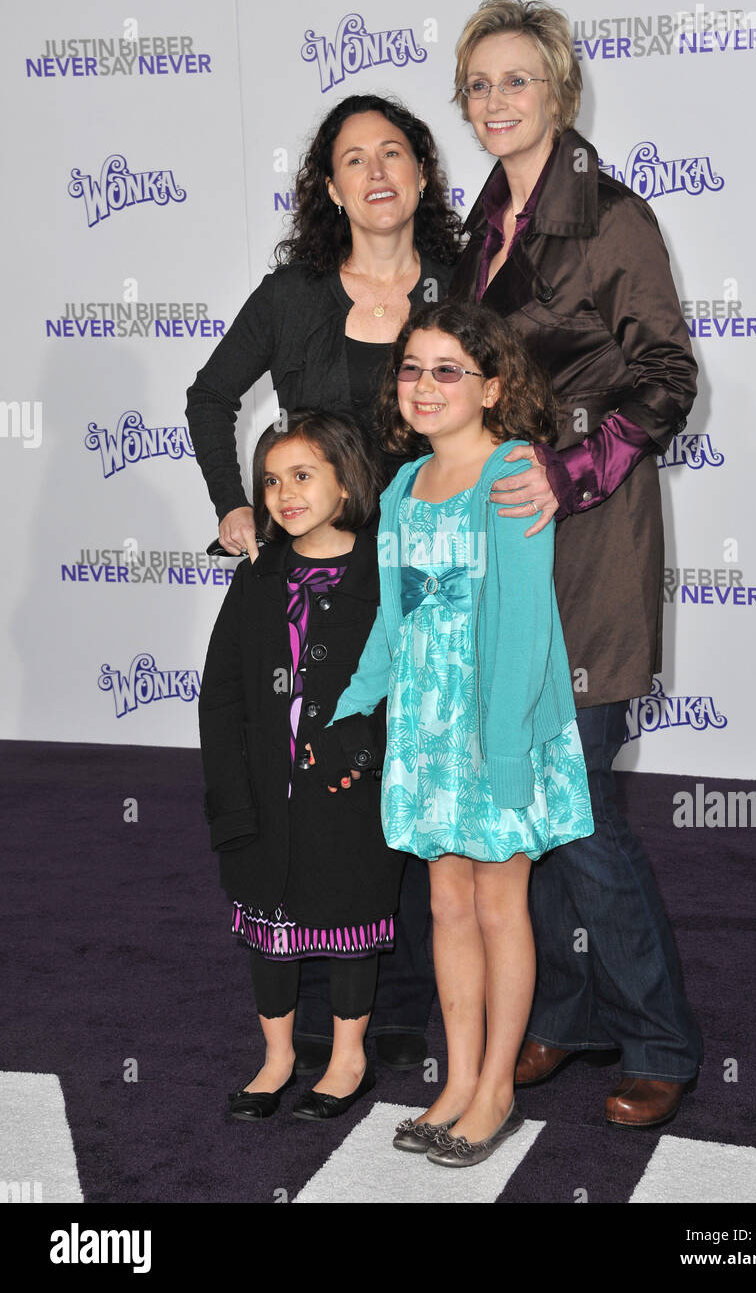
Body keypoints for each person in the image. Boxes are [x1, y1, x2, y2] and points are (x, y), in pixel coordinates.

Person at [446, 0, 703, 1127]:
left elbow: (666, 379)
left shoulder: (612, 217)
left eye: (516, 80)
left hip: (587, 537)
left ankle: (657, 1037)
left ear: (559, 90)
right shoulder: (474, 229)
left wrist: (570, 469)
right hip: (496, 548)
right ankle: (565, 1015)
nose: (496, 102)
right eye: (479, 84)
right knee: (523, 800)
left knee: (583, 805)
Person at [187, 94, 462, 1073]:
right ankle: (307, 1025)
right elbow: (212, 394)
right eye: (353, 157)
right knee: (301, 782)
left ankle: (438, 1014)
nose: (376, 170)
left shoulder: (463, 286)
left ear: (422, 175)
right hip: (312, 582)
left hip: (425, 584)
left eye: (394, 151)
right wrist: (234, 506)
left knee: (413, 796)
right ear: (329, 186)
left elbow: (504, 402)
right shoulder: (296, 292)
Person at [309, 301, 594, 1167]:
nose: (424, 386)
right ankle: (459, 1077)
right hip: (426, 731)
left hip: (495, 727)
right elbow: (396, 625)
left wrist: (504, 747)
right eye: (411, 368)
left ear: (492, 387)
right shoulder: (400, 487)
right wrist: (354, 705)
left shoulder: (510, 471)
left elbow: (525, 632)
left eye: (447, 371)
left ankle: (498, 1086)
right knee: (444, 904)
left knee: (499, 907)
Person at [198, 410, 406, 1121]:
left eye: (302, 476)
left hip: (350, 794)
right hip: (264, 790)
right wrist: (228, 792)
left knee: (350, 921)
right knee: (269, 923)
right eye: (271, 481)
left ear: (346, 483)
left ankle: (348, 1060)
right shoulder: (258, 577)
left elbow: (404, 680)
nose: (284, 493)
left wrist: (365, 751)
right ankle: (277, 1056)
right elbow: (220, 691)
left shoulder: (384, 574)